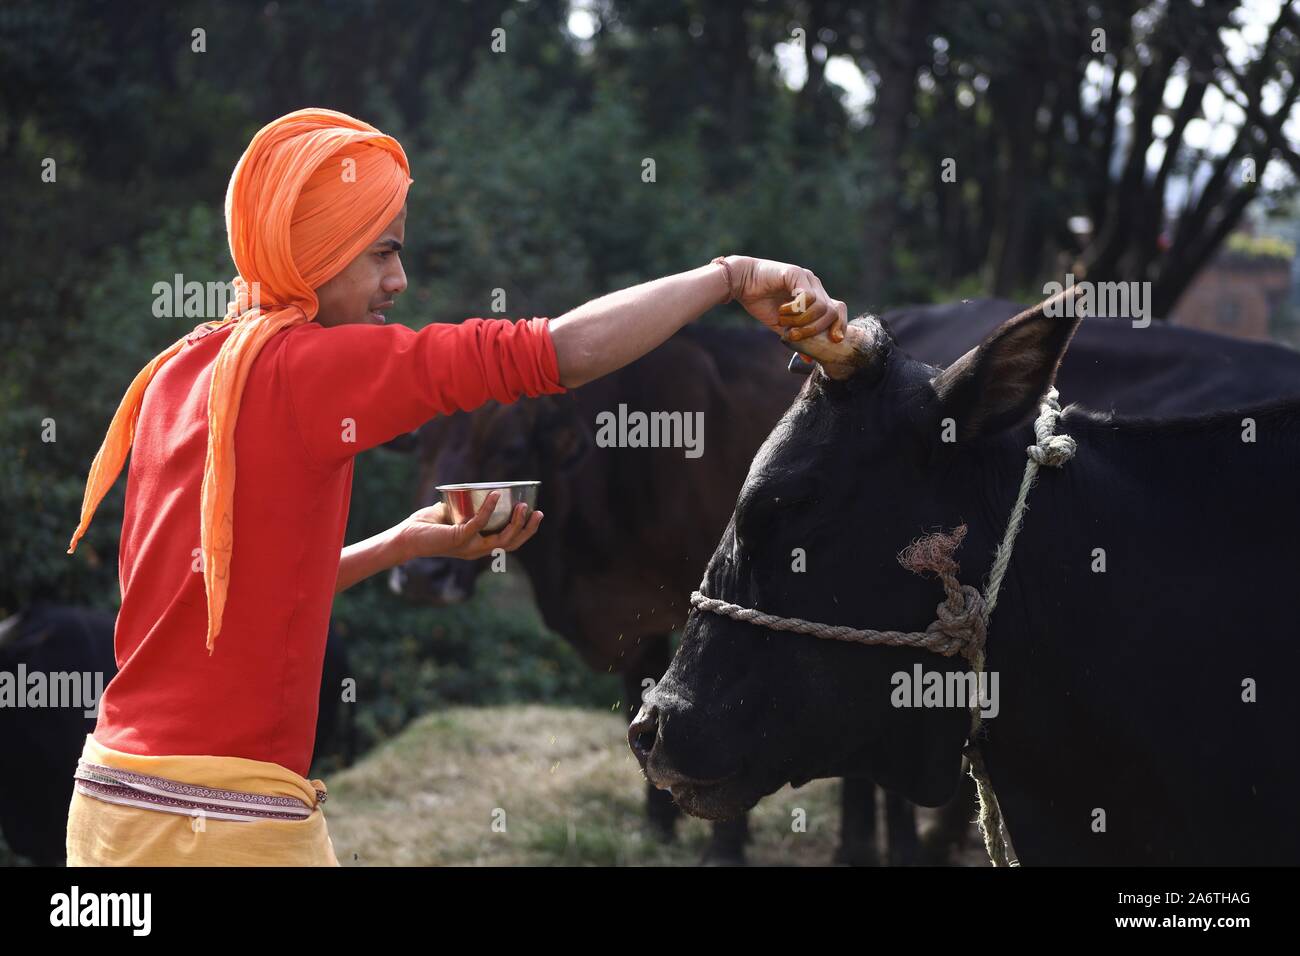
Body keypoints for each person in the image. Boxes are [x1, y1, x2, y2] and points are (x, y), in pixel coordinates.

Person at [62, 107, 847, 866]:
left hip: (111, 804)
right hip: (223, 822)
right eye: (382, 252)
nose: (399, 280)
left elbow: (219, 596)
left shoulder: (181, 371)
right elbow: (555, 354)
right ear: (317, 250)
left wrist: (401, 541)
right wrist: (730, 275)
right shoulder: (307, 368)